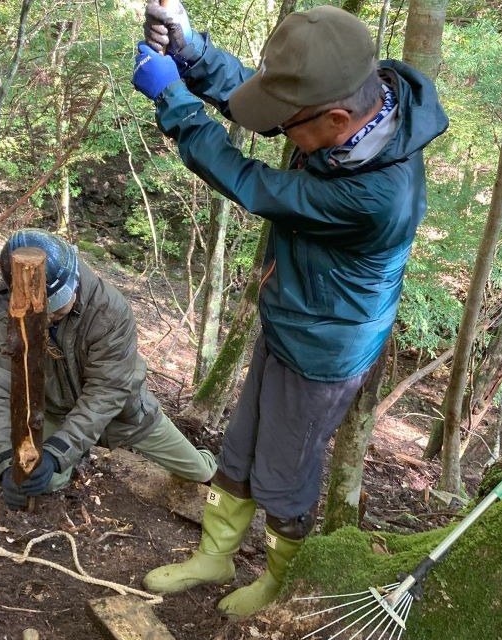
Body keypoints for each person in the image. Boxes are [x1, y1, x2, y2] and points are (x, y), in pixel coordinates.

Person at [132, 4, 449, 617]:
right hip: (291, 312)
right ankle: (216, 553)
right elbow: (277, 105)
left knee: (287, 470)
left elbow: (253, 183)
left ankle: (278, 580)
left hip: (325, 347)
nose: (282, 129)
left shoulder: (377, 196)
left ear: (335, 119)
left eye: (294, 123)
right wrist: (192, 53)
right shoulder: (353, 95)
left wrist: (175, 102)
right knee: (242, 444)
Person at [0, 229, 216, 510]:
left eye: (56, 307)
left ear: (74, 277)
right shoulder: (6, 316)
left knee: (200, 473)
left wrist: (56, 452)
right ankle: (76, 453)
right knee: (38, 481)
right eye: (41, 312)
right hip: (53, 409)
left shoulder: (110, 311)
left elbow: (106, 392)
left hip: (123, 414)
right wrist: (6, 462)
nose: (51, 317)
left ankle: (208, 459)